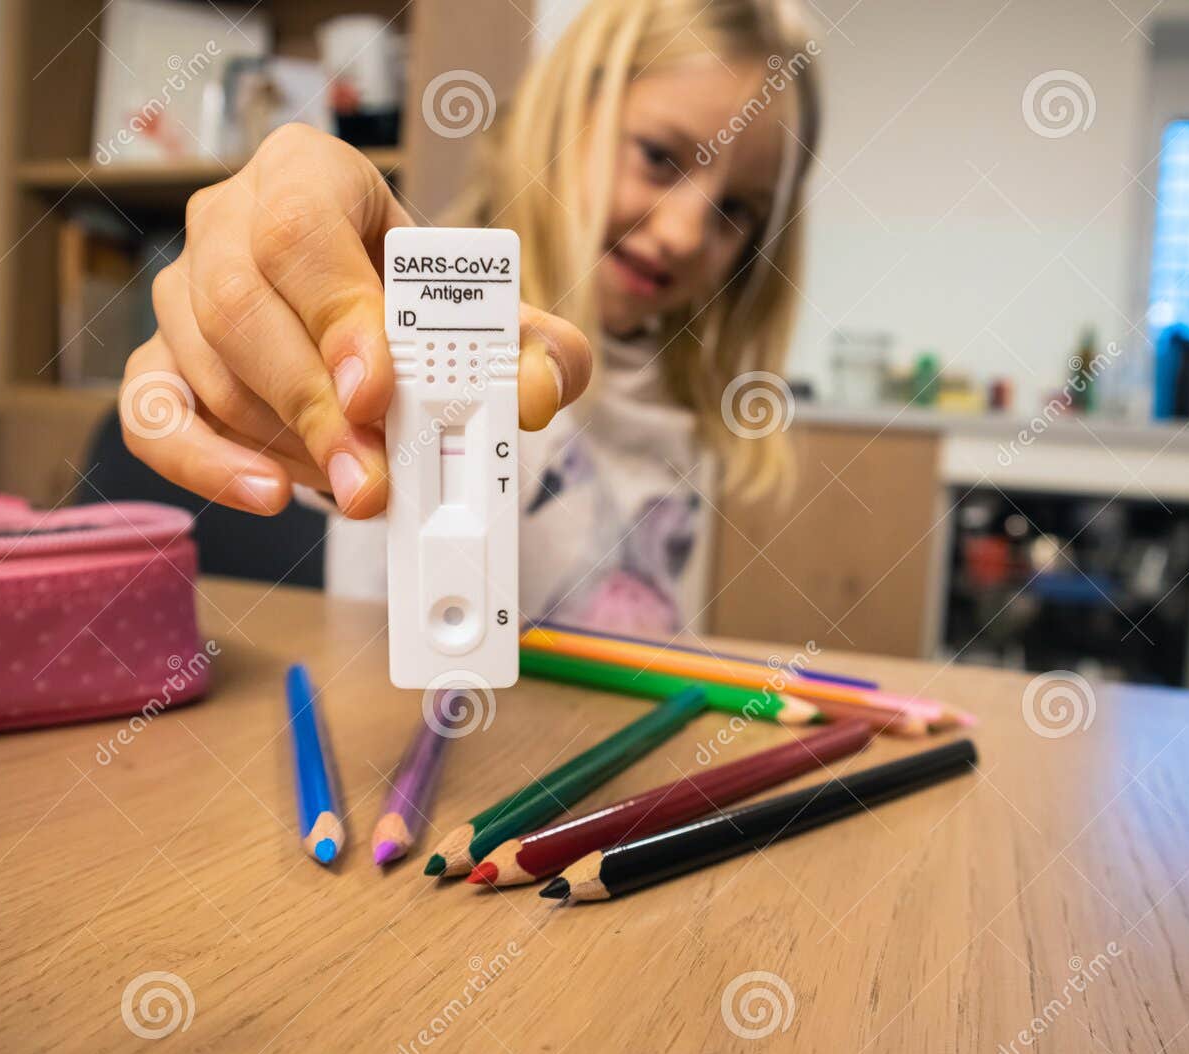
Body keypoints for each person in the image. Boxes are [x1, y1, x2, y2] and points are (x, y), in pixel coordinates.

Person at [122, 0, 820, 635]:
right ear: (566, 111)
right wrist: (266, 306)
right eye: (660, 158)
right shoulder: (429, 332)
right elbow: (336, 424)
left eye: (737, 210)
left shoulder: (688, 401)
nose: (684, 233)